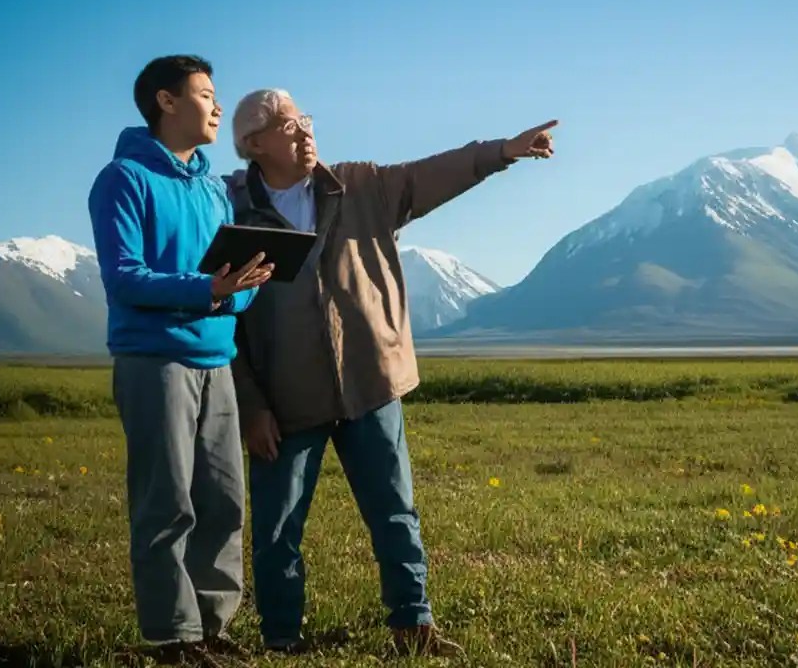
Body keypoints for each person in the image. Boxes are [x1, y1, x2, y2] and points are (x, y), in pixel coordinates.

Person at [225, 87, 556, 656]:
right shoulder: (229, 207)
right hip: (285, 400)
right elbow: (225, 322)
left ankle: (413, 625)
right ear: (253, 146)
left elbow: (433, 174)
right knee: (277, 528)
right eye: (287, 125)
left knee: (395, 511)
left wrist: (501, 151)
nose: (304, 130)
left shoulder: (358, 186)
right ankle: (281, 639)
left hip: (371, 382)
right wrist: (252, 403)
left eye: (305, 118)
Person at [87, 55, 274, 661]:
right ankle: (172, 635)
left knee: (223, 502)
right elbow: (125, 279)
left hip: (216, 358)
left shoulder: (215, 189)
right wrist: (211, 290)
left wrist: (244, 283)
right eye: (206, 94)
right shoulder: (122, 180)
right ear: (166, 102)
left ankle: (212, 629)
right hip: (154, 362)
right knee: (166, 502)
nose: (219, 107)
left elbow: (230, 290)